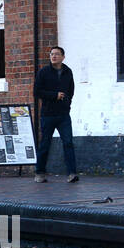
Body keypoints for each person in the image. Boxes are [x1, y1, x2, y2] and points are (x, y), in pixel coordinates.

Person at [34, 45, 79, 183]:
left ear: (63, 57)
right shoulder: (44, 72)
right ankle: (40, 173)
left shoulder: (68, 72)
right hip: (48, 114)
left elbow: (71, 90)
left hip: (64, 114)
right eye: (52, 54)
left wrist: (67, 103)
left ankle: (72, 173)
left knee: (68, 143)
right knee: (45, 144)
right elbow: (37, 92)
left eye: (57, 54)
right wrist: (54, 95)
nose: (53, 56)